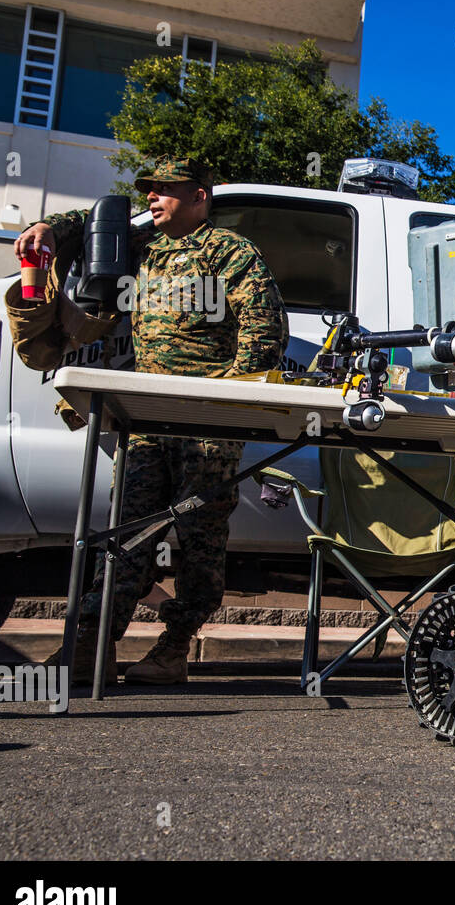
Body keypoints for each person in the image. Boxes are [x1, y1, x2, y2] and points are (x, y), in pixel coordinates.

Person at [14, 158, 288, 685]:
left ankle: (173, 650)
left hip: (206, 426)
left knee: (200, 535)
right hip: (146, 421)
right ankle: (91, 646)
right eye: (150, 192)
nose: (154, 199)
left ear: (200, 196)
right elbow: (96, 226)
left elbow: (264, 333)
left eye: (167, 190)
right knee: (127, 532)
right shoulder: (142, 250)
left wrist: (221, 402)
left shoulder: (231, 253)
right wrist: (50, 226)